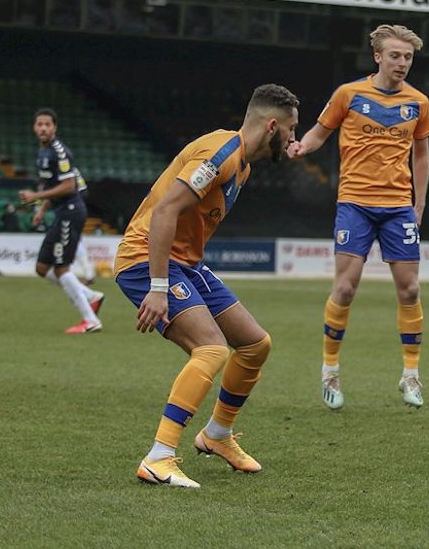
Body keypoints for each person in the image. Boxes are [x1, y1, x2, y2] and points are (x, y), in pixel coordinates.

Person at [114, 84, 299, 488]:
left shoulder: (243, 167)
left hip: (186, 264)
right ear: (272, 126)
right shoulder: (221, 154)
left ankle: (216, 436)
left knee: (254, 344)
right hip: (145, 257)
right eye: (291, 130)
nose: (293, 140)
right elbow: (164, 211)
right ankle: (158, 457)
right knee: (212, 349)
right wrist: (158, 286)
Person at [288, 24, 429, 410]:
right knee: (346, 288)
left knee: (411, 290)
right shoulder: (348, 95)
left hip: (398, 206)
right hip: (354, 203)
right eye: (395, 56)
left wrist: (418, 206)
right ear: (378, 57)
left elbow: (421, 154)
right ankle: (330, 372)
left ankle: (411, 376)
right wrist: (303, 146)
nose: (402, 63)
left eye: (408, 57)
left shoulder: (418, 102)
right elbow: (321, 131)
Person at [19, 108, 104, 333]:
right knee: (41, 267)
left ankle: (90, 320)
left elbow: (68, 186)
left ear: (54, 127)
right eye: (39, 124)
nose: (43, 128)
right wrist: (41, 209)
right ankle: (89, 295)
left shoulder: (59, 151)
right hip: (60, 212)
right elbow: (51, 187)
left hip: (71, 212)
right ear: (34, 127)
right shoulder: (42, 153)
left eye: (47, 124)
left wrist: (36, 197)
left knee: (60, 268)